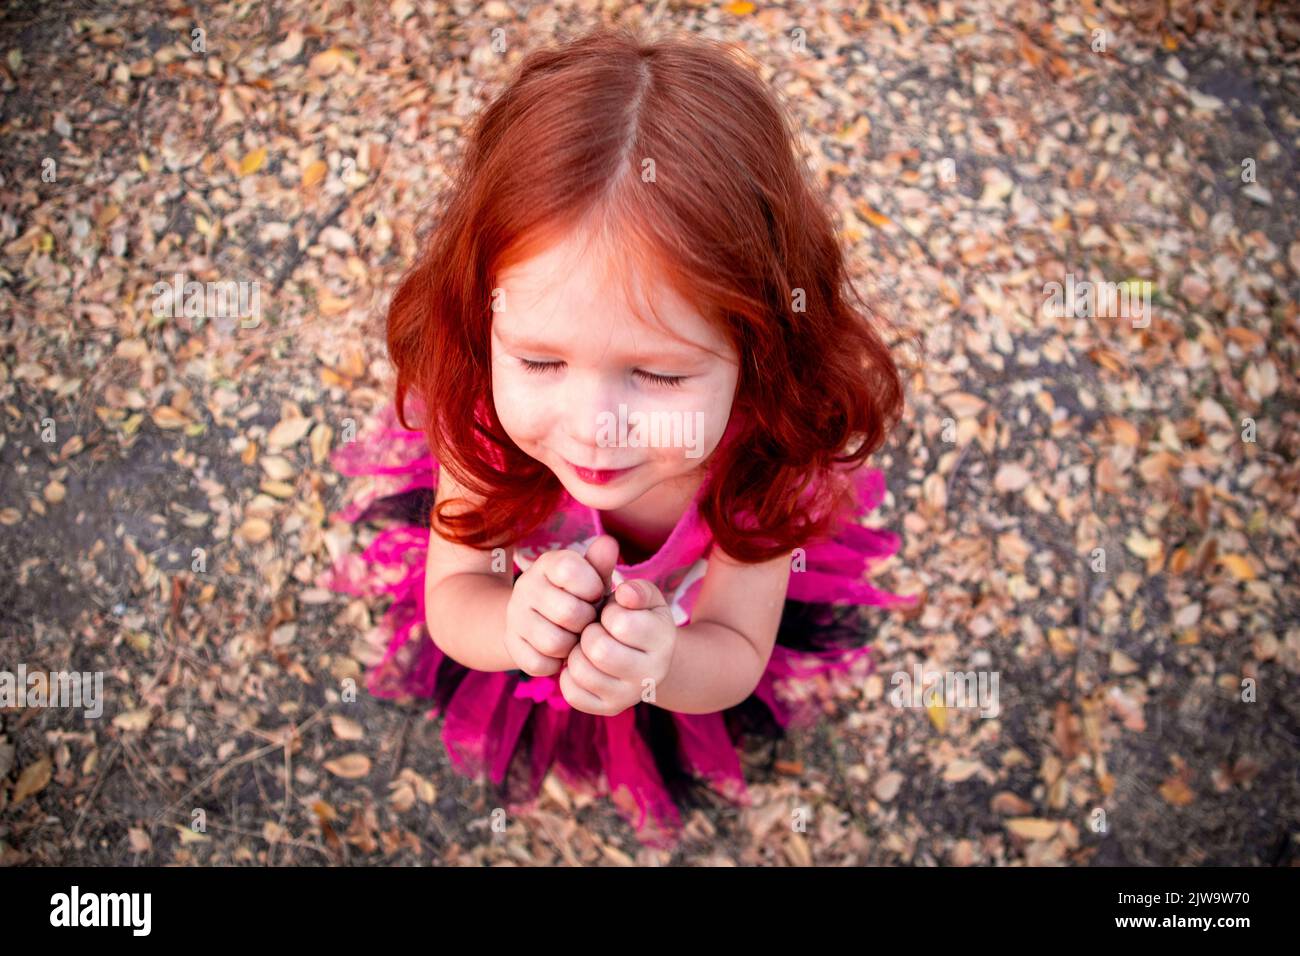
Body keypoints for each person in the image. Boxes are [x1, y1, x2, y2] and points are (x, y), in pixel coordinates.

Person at [322, 25, 909, 850]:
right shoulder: (483, 423)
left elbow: (736, 646)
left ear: (762, 345)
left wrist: (661, 663)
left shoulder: (766, 457)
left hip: (671, 662)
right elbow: (453, 596)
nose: (595, 427)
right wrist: (513, 628)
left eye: (661, 376)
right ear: (482, 314)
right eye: (539, 360)